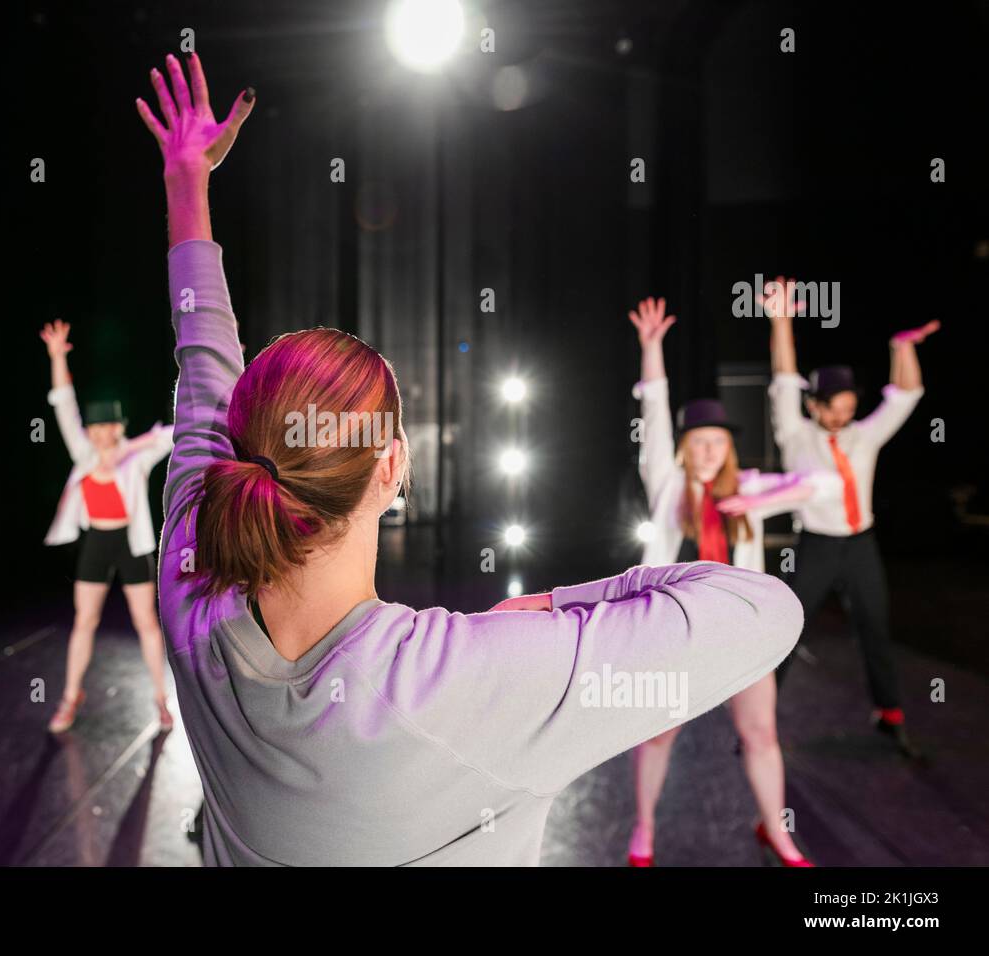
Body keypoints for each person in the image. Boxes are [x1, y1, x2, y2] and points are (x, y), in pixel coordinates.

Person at [136, 51, 805, 866]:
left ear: (235, 461)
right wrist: (552, 606)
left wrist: (185, 180)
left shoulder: (190, 587)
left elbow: (202, 353)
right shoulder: (474, 678)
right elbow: (767, 611)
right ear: (392, 469)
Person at [625, 296, 842, 867]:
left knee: (762, 736)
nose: (706, 451)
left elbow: (819, 485)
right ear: (682, 448)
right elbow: (652, 412)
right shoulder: (668, 486)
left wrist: (759, 497)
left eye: (716, 442)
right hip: (675, 633)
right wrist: (652, 348)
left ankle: (777, 831)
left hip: (742, 636)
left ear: (728, 450)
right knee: (658, 735)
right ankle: (643, 831)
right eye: (697, 442)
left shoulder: (746, 487)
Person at [764, 275, 939, 759]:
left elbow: (907, 393)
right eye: (832, 410)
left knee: (875, 627)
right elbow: (784, 378)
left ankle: (889, 714)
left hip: (861, 544)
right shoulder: (796, 436)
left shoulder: (865, 436)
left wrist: (900, 348)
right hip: (816, 546)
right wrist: (781, 319)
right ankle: (758, 720)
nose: (841, 417)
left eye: (848, 409)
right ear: (814, 406)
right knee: (788, 628)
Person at [39, 318, 176, 733]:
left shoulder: (137, 457)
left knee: (146, 624)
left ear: (118, 427)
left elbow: (174, 434)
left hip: (131, 546)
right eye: (95, 428)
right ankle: (69, 697)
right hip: (98, 542)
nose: (101, 435)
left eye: (109, 427)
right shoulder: (82, 454)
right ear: (91, 431)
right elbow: (64, 404)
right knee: (85, 621)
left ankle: (160, 700)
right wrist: (58, 357)